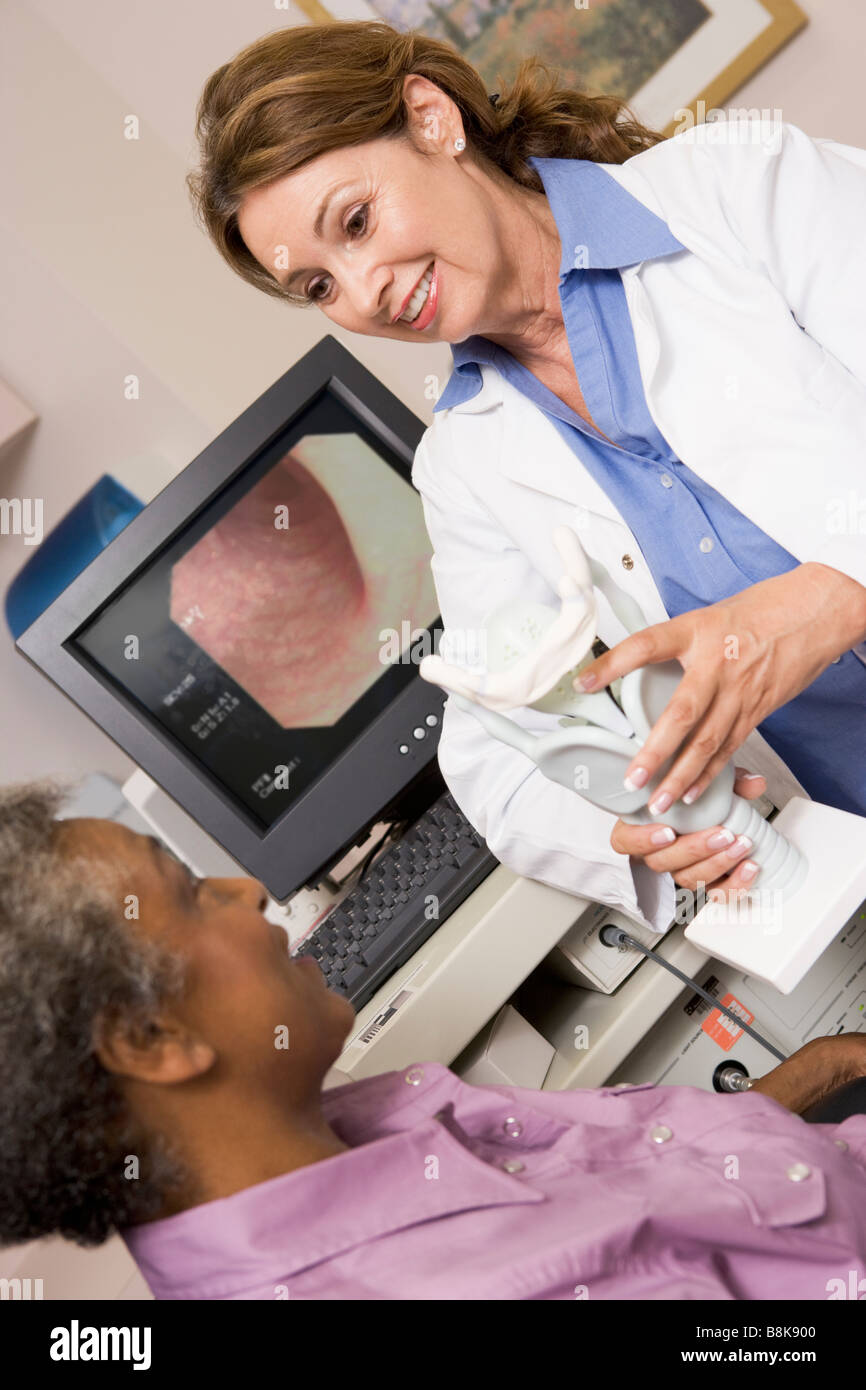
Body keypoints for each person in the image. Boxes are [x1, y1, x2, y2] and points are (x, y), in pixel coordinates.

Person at [186, 20, 866, 935]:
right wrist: (623, 828)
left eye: (354, 222)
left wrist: (830, 597)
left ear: (431, 120)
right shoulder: (466, 464)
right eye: (317, 286)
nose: (363, 289)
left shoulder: (744, 187)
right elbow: (488, 757)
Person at [1, 779, 865, 1300]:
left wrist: (819, 1071)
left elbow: (669, 1209)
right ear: (152, 1036)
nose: (247, 891)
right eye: (191, 895)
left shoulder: (352, 1133)